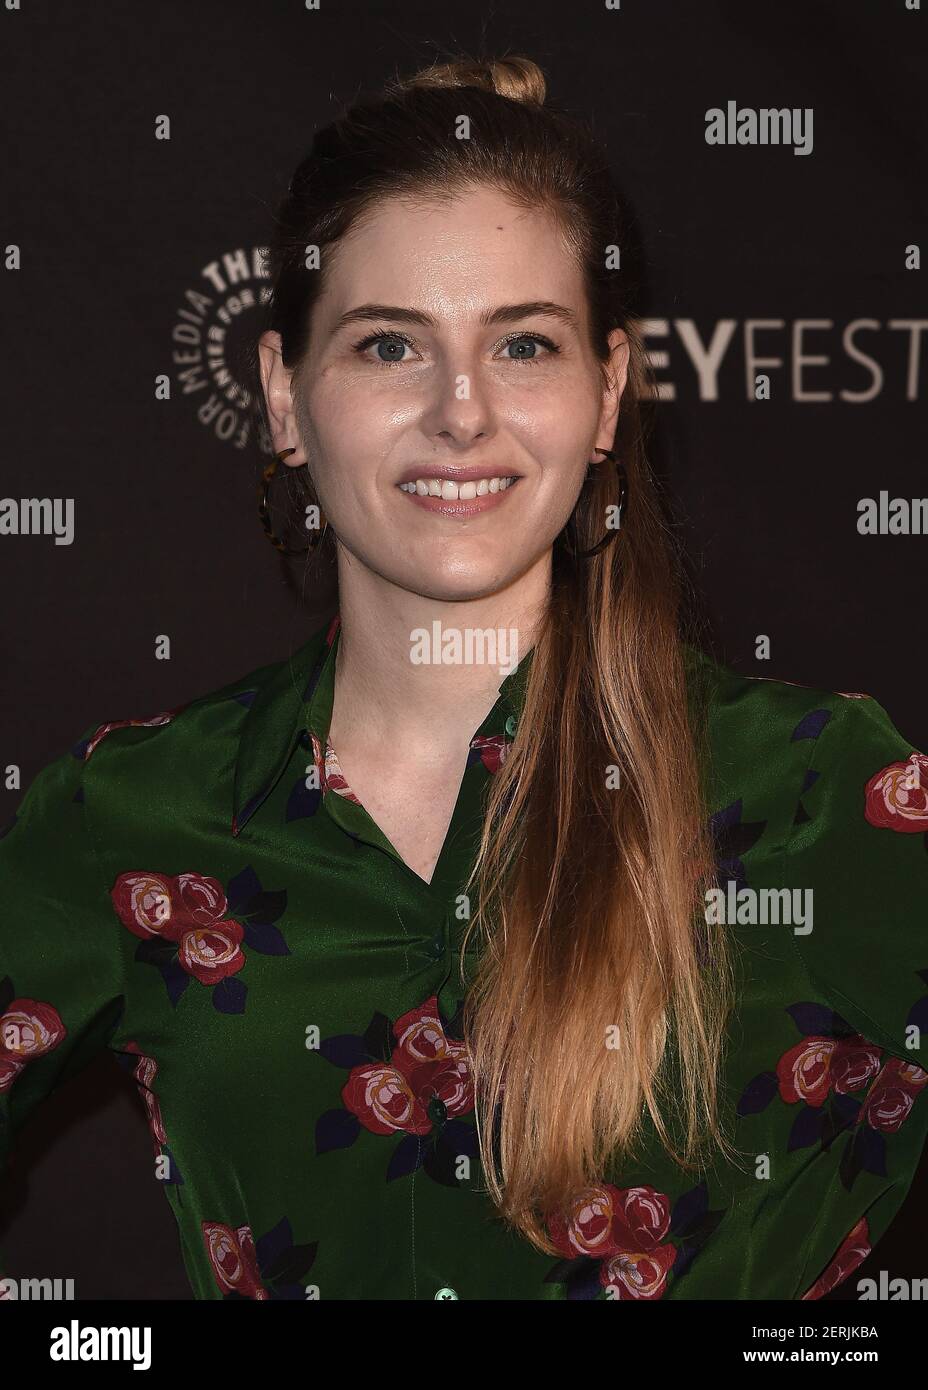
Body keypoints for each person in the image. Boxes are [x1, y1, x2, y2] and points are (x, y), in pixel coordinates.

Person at [1, 54, 926, 1303]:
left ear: (605, 395)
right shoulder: (130, 814)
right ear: (283, 395)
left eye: (524, 345)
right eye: (390, 345)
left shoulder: (819, 790)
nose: (460, 412)